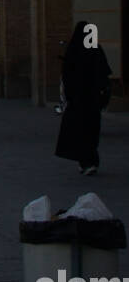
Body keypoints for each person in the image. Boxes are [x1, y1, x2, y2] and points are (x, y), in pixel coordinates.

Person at [55, 19, 112, 175]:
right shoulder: (95, 50)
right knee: (91, 132)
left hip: (78, 101)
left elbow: (66, 76)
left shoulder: (74, 51)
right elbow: (105, 74)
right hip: (92, 101)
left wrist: (70, 96)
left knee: (80, 132)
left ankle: (85, 162)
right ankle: (90, 161)